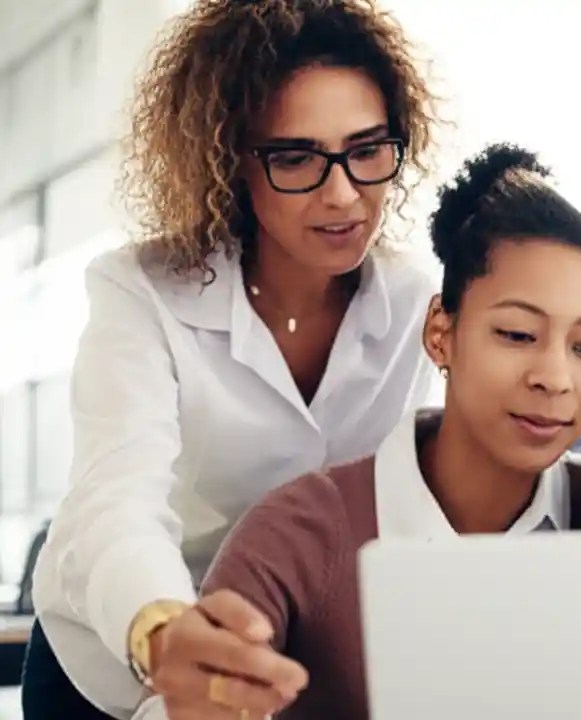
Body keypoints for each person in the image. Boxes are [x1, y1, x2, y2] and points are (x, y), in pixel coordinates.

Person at [27, 2, 443, 718]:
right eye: (295, 158)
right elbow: (116, 503)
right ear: (230, 164)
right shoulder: (139, 292)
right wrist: (165, 631)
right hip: (120, 655)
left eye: (367, 149)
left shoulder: (412, 304)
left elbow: (402, 507)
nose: (343, 193)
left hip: (290, 666)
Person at [129, 143, 581, 720]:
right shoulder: (300, 533)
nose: (555, 379)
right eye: (516, 334)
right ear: (441, 332)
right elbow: (187, 702)